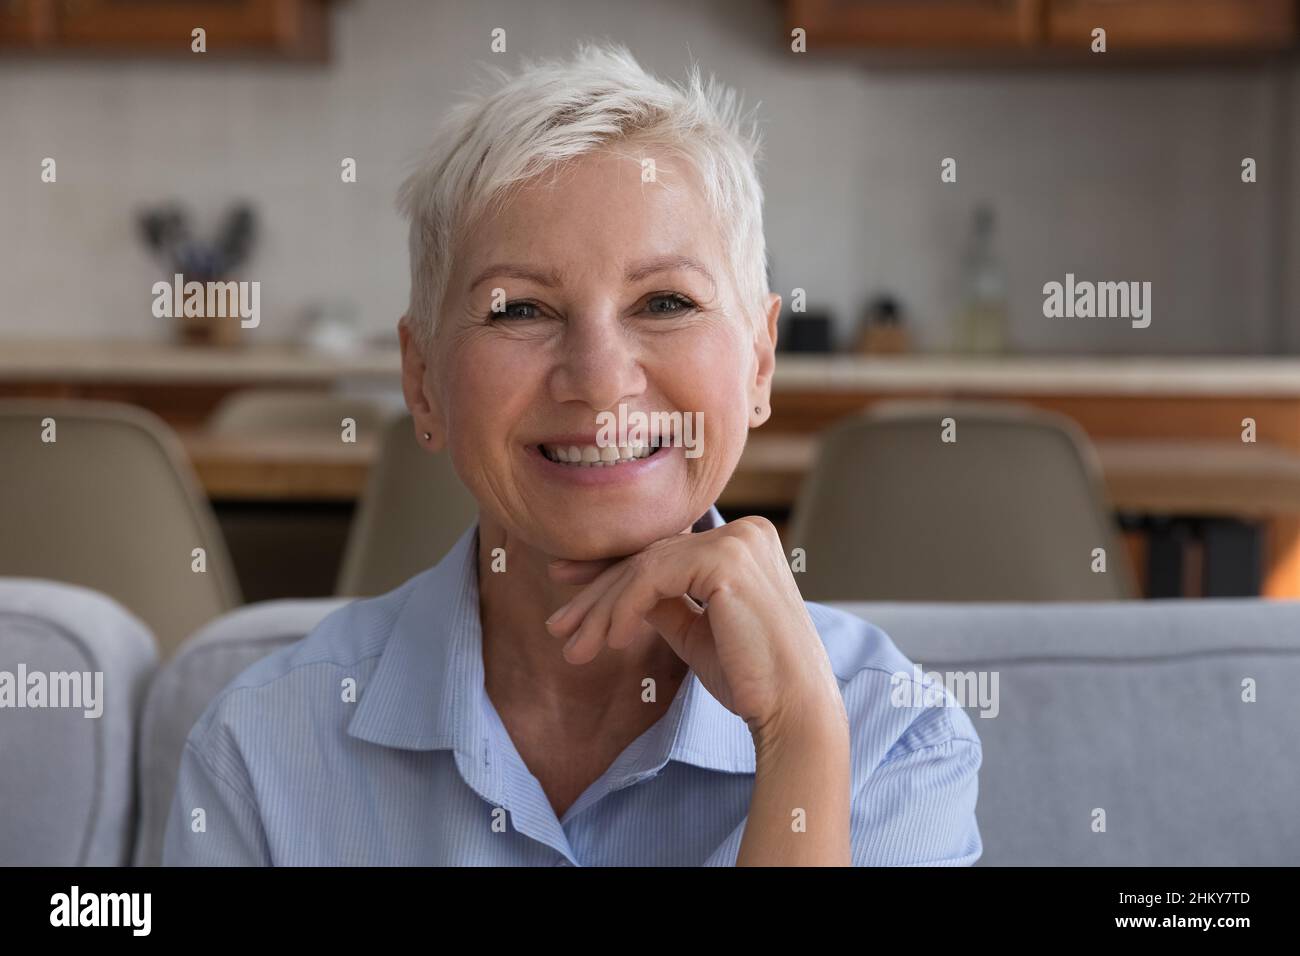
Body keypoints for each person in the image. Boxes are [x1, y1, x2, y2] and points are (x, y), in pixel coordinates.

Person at [163, 42, 981, 866]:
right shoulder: (260, 754)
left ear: (760, 362)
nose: (598, 381)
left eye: (665, 301)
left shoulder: (893, 742)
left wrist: (798, 739)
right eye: (519, 310)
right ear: (422, 382)